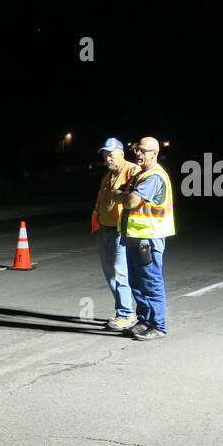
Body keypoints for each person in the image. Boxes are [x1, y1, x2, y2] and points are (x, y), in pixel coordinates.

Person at [119, 137, 175, 341]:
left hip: (148, 239)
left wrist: (124, 197)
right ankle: (144, 319)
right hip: (135, 237)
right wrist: (124, 195)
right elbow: (119, 193)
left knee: (151, 283)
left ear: (155, 153)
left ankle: (158, 325)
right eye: (136, 150)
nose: (138, 154)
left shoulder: (154, 176)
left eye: (143, 150)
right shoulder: (140, 175)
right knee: (136, 282)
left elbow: (131, 200)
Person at [92, 138, 139, 331]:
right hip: (104, 230)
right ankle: (126, 311)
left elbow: (135, 200)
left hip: (121, 231)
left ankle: (126, 314)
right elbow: (101, 202)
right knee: (110, 274)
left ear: (121, 152)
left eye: (111, 152)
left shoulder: (132, 171)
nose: (107, 156)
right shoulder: (108, 176)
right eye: (105, 153)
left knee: (121, 274)